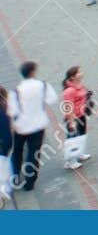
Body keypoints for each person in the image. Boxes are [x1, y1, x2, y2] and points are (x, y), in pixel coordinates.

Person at [9, 61, 57, 192]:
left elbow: (12, 111)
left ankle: (15, 175)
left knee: (17, 151)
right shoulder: (42, 85)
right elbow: (52, 99)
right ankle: (29, 182)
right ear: (32, 72)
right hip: (38, 125)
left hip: (21, 126)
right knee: (33, 153)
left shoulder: (16, 91)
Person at [60, 67, 91, 170]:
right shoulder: (69, 91)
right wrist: (71, 121)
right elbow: (68, 107)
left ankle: (79, 154)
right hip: (73, 117)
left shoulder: (80, 86)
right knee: (72, 138)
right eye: (79, 72)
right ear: (72, 77)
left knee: (81, 136)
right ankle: (70, 161)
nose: (82, 73)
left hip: (81, 115)